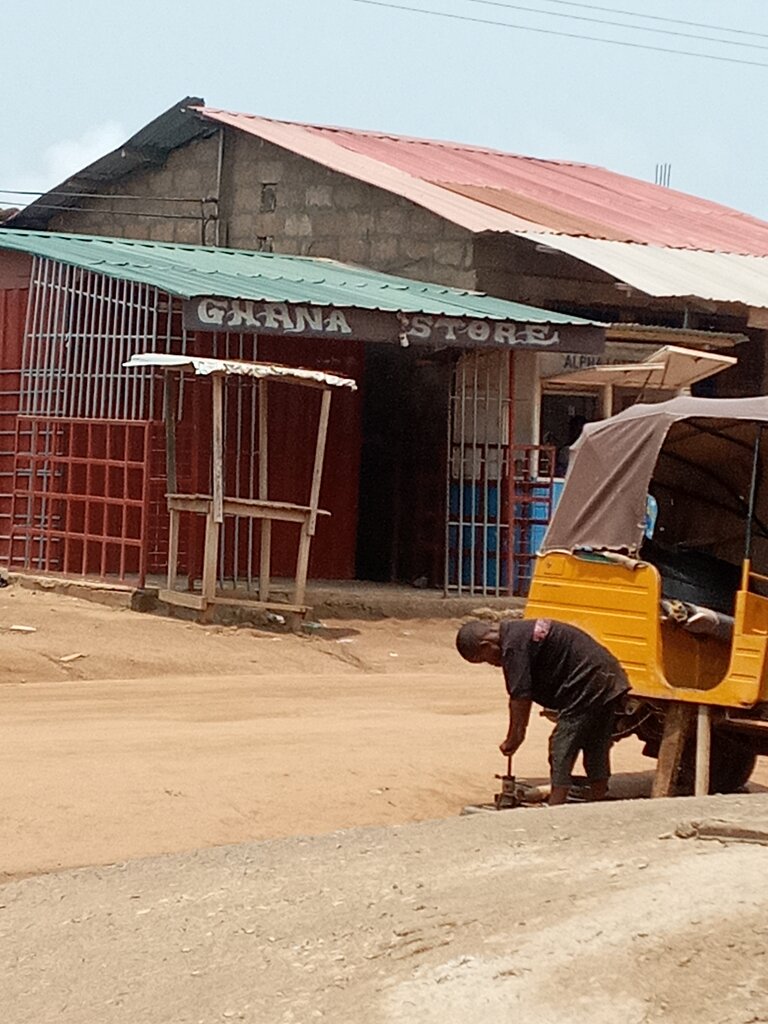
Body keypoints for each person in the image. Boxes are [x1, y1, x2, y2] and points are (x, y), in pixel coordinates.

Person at [456, 618, 630, 805]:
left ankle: (557, 802)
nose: (491, 664)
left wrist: (515, 737)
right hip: (607, 674)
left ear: (486, 645)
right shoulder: (517, 632)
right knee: (595, 739)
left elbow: (520, 696)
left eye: (485, 659)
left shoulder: (513, 646)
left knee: (562, 743)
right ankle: (598, 792)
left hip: (588, 680)